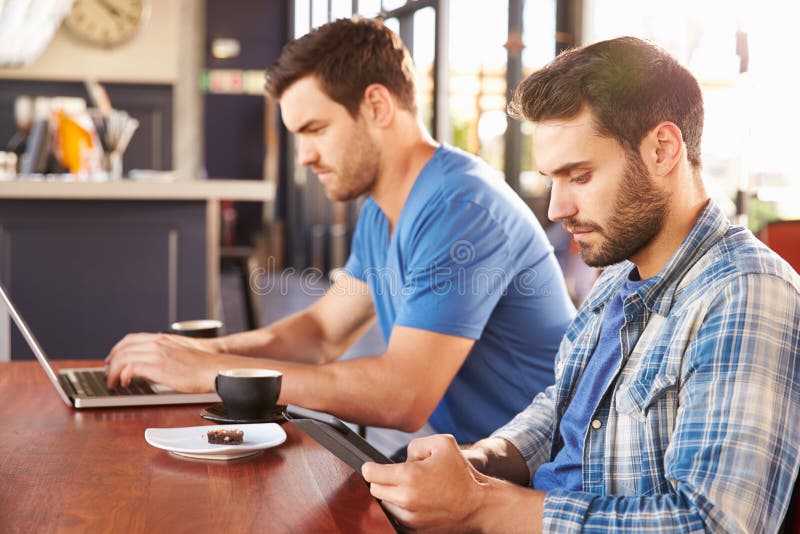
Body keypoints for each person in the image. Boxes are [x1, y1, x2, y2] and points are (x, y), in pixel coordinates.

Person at [362, 36, 800, 531]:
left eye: (580, 176)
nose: (556, 208)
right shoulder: (618, 274)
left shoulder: (745, 291)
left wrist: (481, 507)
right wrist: (481, 462)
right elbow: (564, 406)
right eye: (552, 178)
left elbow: (711, 524)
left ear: (662, 150)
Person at [105, 18, 574, 454]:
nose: (305, 156)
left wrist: (216, 372)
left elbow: (402, 395)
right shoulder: (382, 211)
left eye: (316, 129)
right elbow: (320, 332)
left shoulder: (459, 206)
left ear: (376, 106)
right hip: (477, 458)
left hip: (541, 471)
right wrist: (201, 353)